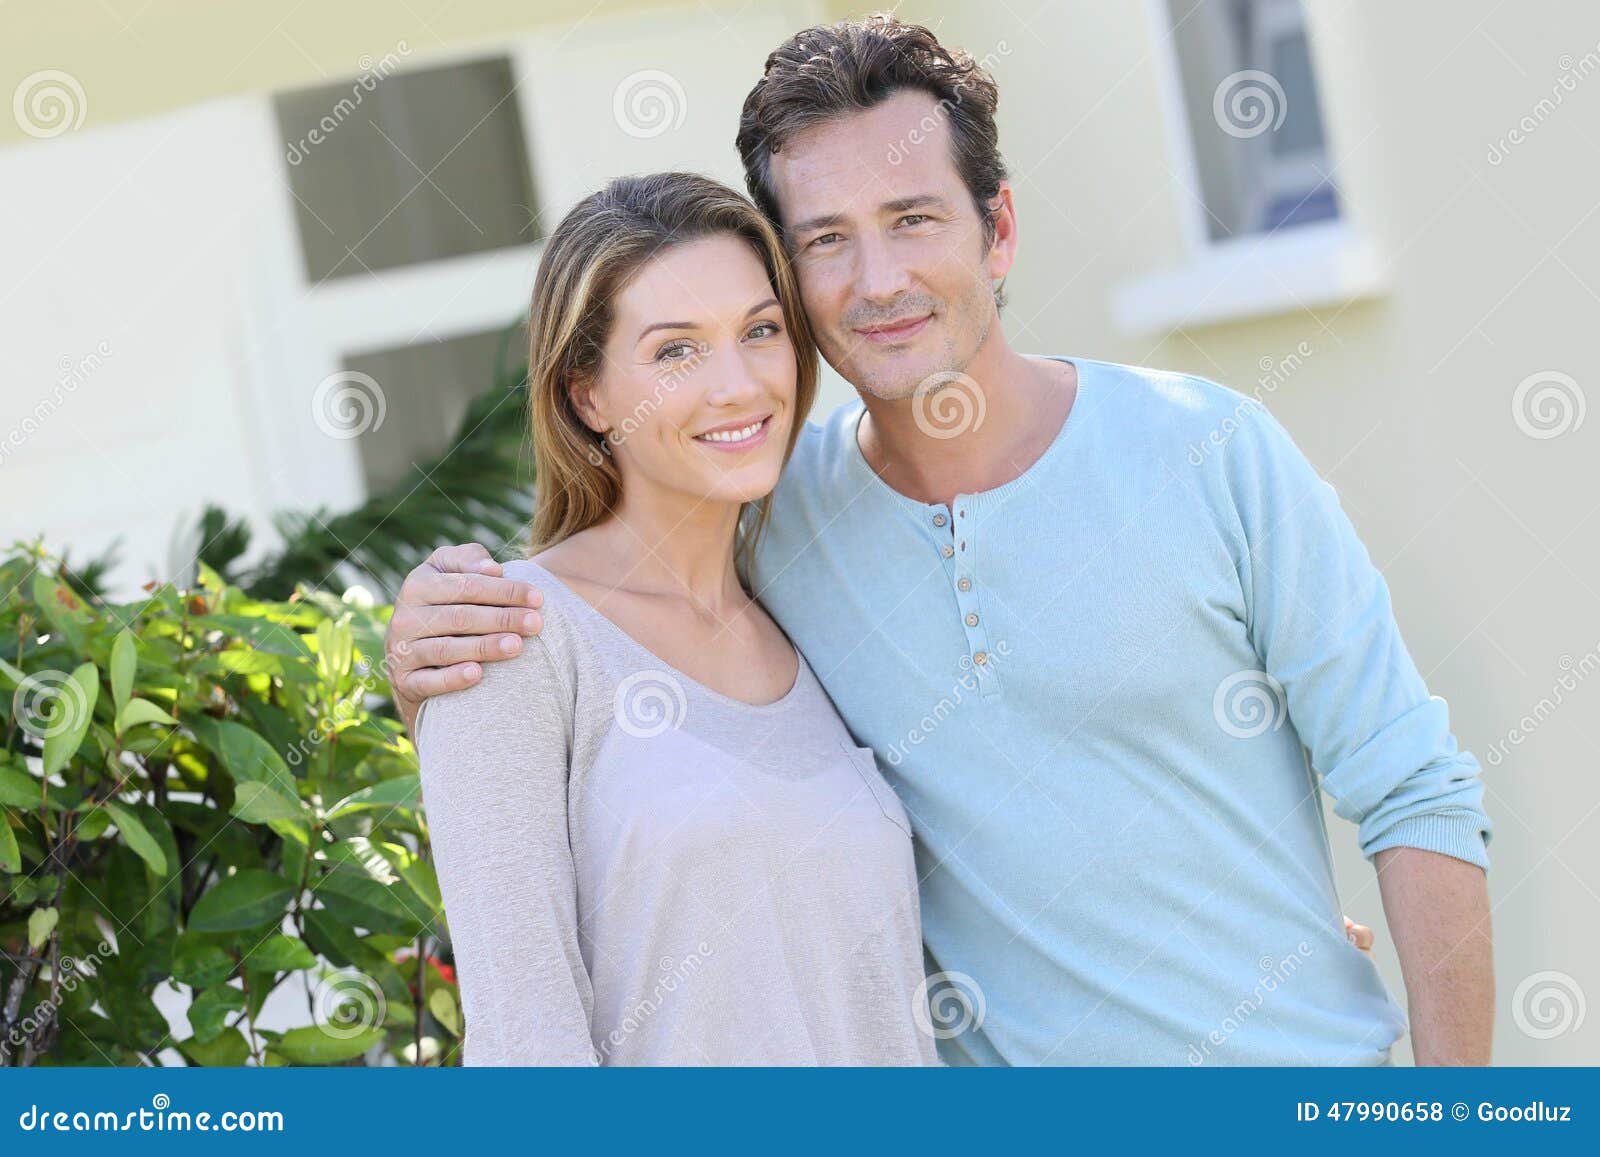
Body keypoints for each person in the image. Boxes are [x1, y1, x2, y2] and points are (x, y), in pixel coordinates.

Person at [392, 15, 1490, 1066]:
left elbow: (1413, 790)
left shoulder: (1213, 452)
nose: (877, 282)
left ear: (997, 227)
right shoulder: (781, 524)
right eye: (826, 240)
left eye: (912, 218)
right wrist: (432, 657)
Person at [416, 171, 938, 1066]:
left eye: (760, 331)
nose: (738, 385)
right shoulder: (509, 639)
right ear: (587, 396)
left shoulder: (804, 615)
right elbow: (523, 1046)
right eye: (675, 352)